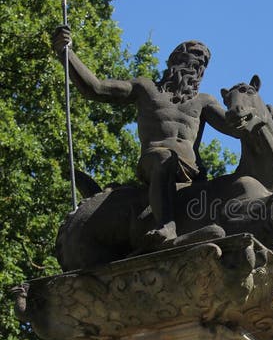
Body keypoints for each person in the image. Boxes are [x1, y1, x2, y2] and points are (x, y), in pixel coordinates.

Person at [52, 25, 236, 246]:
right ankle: (166, 226)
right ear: (175, 59)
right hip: (155, 161)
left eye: (203, 61)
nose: (198, 62)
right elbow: (96, 88)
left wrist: (265, 116)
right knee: (164, 158)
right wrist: (66, 53)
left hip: (191, 171)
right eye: (194, 54)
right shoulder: (146, 88)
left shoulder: (204, 101)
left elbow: (236, 127)